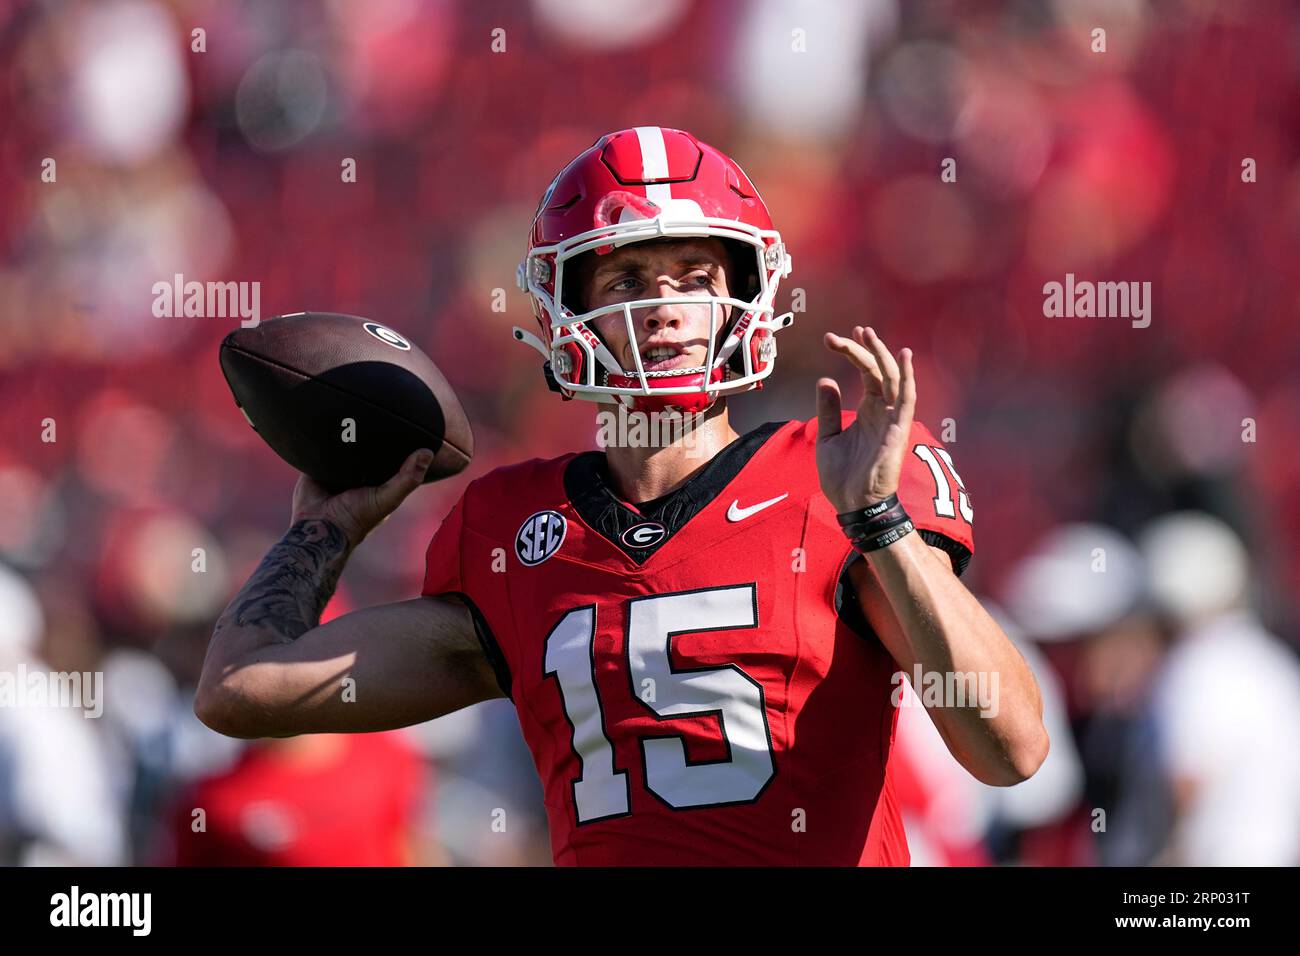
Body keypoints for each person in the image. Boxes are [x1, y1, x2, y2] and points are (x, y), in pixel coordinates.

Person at [196, 127, 1048, 865]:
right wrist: (323, 531)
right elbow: (240, 689)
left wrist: (878, 521)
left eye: (693, 276)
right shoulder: (512, 531)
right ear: (567, 313)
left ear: (743, 295)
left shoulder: (834, 476)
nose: (665, 310)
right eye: (628, 282)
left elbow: (1010, 747)